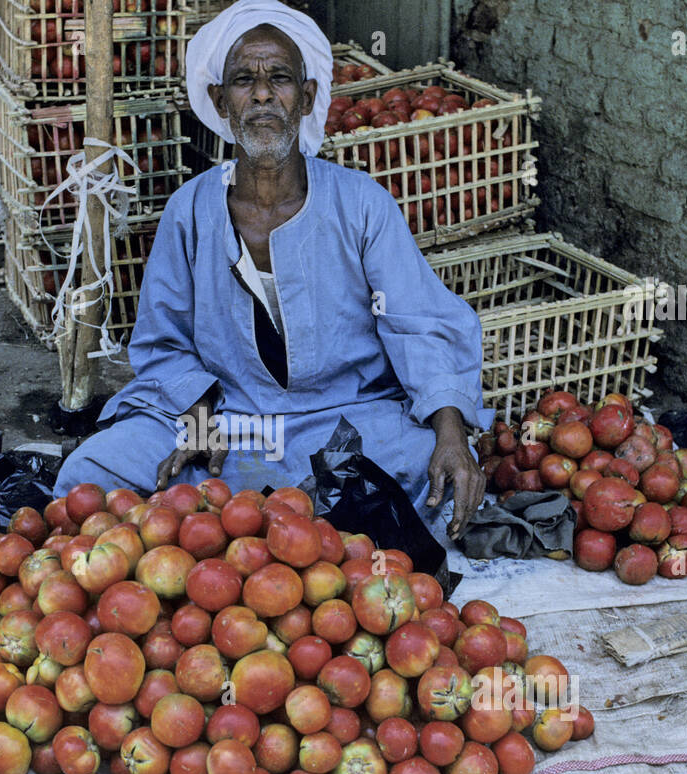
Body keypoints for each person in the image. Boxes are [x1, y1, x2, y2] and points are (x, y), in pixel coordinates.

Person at [54, 0, 490, 541]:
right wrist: (197, 417)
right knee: (88, 477)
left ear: (306, 98)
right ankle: (291, 526)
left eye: (279, 78)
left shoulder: (361, 204)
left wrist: (452, 435)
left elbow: (418, 321)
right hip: (231, 423)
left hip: (343, 421)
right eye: (243, 80)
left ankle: (240, 530)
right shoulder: (189, 211)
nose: (262, 94)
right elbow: (164, 344)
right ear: (219, 101)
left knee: (430, 462)